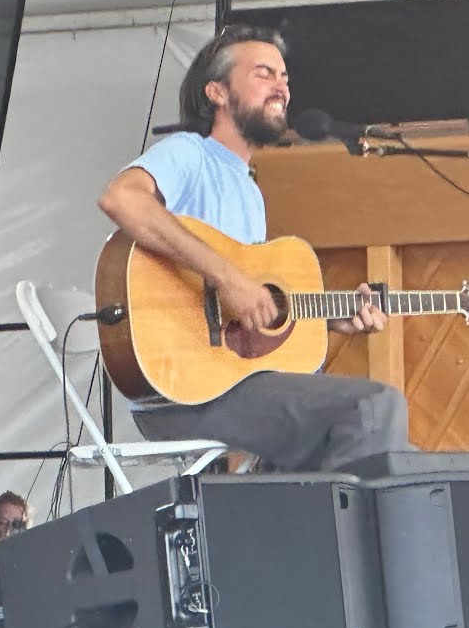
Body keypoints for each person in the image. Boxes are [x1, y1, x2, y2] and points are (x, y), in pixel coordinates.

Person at [96, 24, 411, 472]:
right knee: (373, 408)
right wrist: (227, 277)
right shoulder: (189, 153)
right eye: (264, 73)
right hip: (184, 390)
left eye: (284, 77)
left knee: (396, 455)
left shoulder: (249, 190)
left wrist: (323, 316)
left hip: (234, 381)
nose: (282, 87)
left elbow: (246, 319)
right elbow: (122, 198)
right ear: (217, 92)